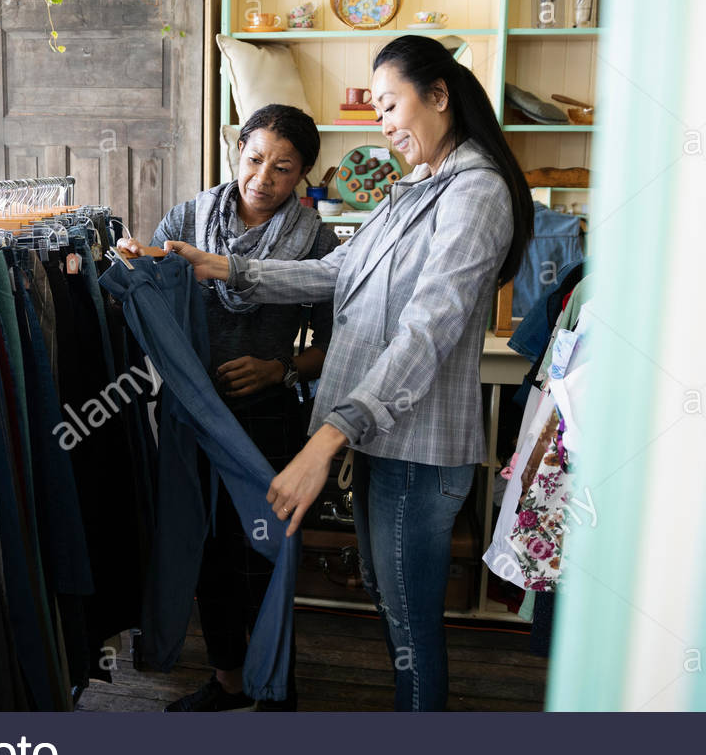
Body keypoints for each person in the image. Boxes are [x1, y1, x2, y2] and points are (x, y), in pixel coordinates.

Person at [121, 36, 534, 711]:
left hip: (414, 446)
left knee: (409, 624)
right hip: (382, 440)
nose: (384, 122)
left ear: (439, 96)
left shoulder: (476, 192)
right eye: (375, 110)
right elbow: (335, 272)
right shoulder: (421, 187)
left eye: (390, 103)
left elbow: (427, 330)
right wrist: (221, 266)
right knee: (389, 603)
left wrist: (327, 434)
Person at [130, 104, 339, 712]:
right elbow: (157, 299)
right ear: (236, 152)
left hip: (267, 412)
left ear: (303, 175)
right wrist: (133, 267)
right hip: (193, 412)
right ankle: (227, 681)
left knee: (267, 550)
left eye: (282, 167)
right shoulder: (189, 218)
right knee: (206, 547)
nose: (262, 178)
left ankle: (277, 687)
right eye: (254, 159)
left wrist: (281, 368)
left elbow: (336, 345)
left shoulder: (319, 241)